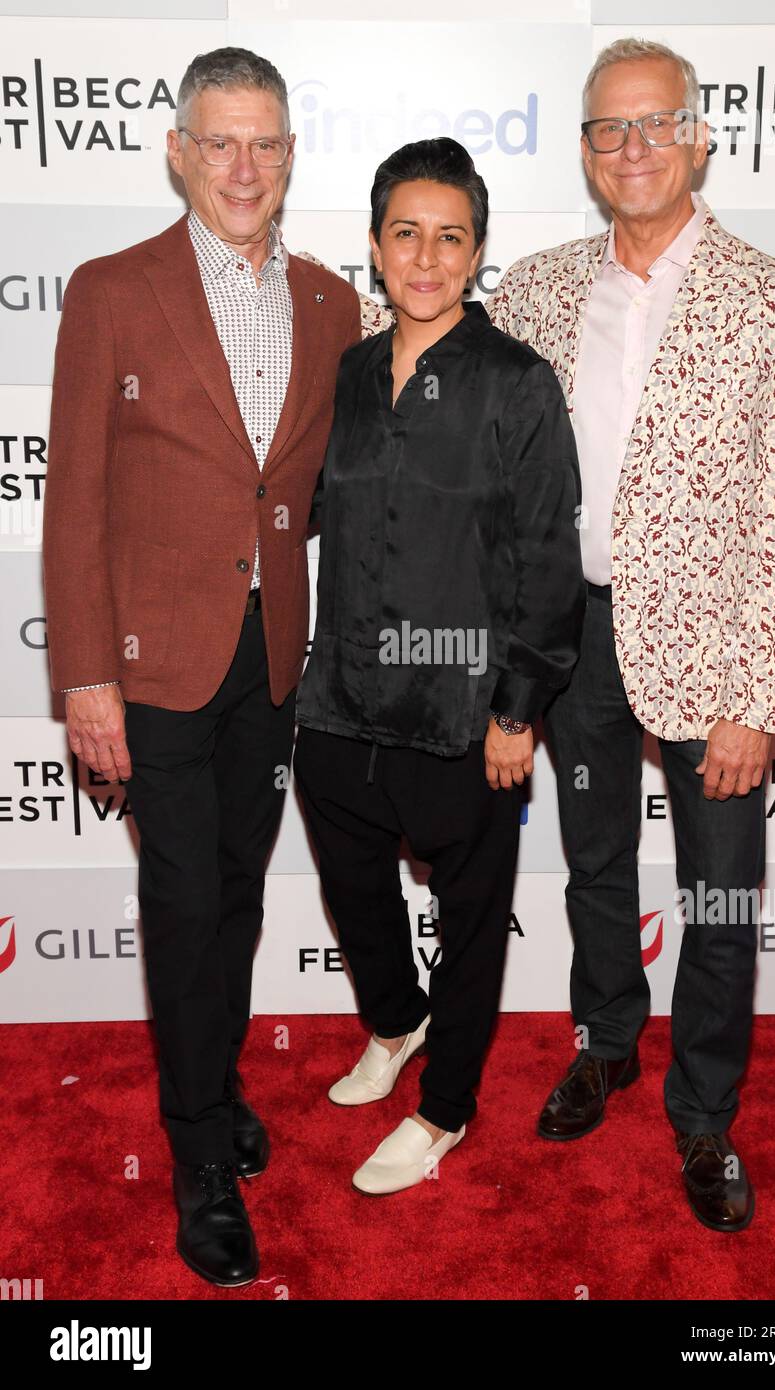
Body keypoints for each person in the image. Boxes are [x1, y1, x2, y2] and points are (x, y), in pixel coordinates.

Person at [41, 46, 386, 1287]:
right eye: (221, 141)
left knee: (235, 896)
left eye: (267, 143)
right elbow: (71, 500)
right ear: (180, 151)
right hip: (152, 662)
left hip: (273, 663)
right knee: (187, 900)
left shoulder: (325, 300)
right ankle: (196, 1154)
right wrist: (84, 675)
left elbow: (328, 491)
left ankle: (211, 1077)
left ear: (291, 157)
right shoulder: (110, 289)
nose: (244, 166)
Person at [487, 38, 775, 1231]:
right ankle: (605, 1040)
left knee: (723, 889)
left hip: (716, 650)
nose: (630, 147)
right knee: (592, 861)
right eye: (605, 129)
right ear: (583, 152)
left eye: (653, 123)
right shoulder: (535, 287)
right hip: (571, 632)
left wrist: (757, 699)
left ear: (697, 136)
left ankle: (703, 1112)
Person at [293, 137, 585, 1195]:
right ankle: (393, 1019)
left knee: (469, 920)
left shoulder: (516, 383)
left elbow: (546, 555)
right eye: (404, 234)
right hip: (339, 699)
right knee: (353, 886)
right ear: (375, 247)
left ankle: (445, 1106)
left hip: (461, 708)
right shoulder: (351, 375)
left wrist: (518, 708)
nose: (425, 257)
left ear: (475, 253)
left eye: (448, 237)